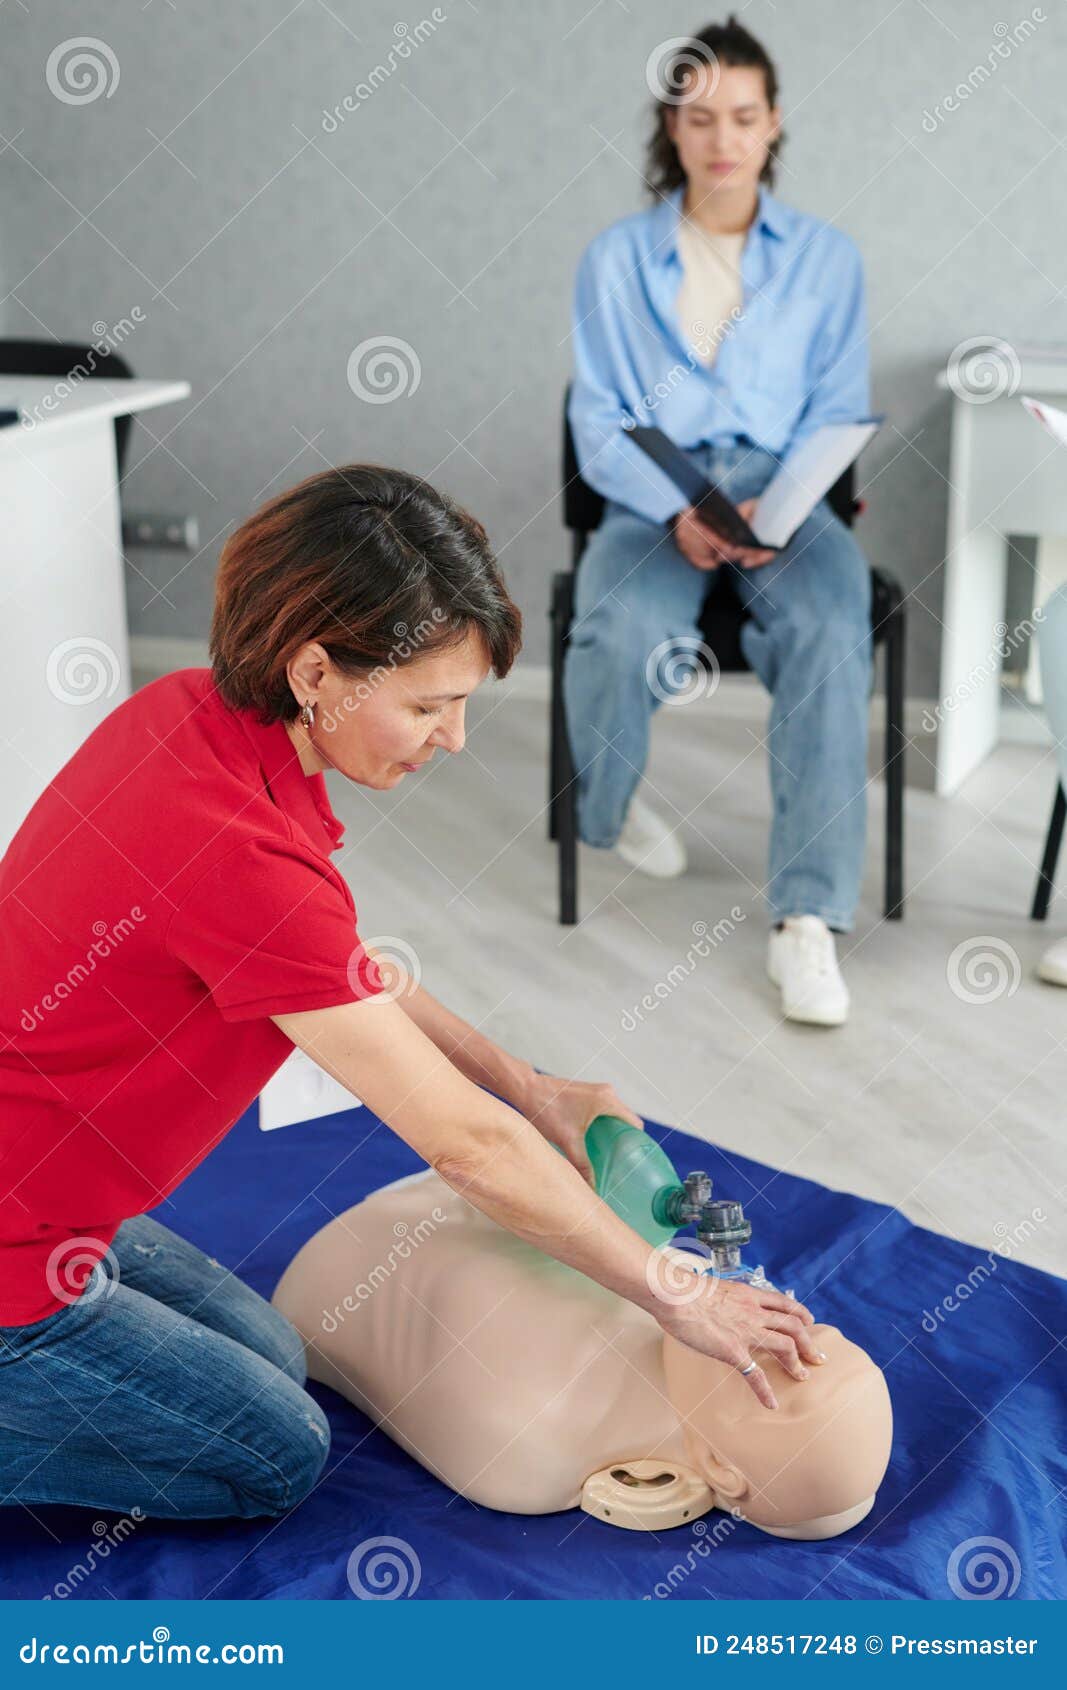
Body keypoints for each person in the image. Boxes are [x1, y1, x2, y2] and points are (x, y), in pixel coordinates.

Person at [0, 464, 820, 1521]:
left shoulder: (195, 715)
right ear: (313, 671)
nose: (454, 737)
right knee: (275, 1452)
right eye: (427, 704)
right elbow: (462, 1148)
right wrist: (678, 1292)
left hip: (54, 1199)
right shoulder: (235, 854)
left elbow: (343, 970)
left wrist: (533, 1090)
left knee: (275, 1355)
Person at [563, 16, 874, 1026]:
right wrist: (681, 506)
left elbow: (838, 408)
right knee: (619, 628)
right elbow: (600, 416)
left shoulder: (827, 261)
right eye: (699, 119)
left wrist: (770, 504)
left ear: (772, 123)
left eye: (742, 116)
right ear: (672, 127)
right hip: (657, 487)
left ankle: (805, 922)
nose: (722, 139)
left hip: (783, 493)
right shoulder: (614, 261)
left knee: (829, 627)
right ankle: (603, 812)